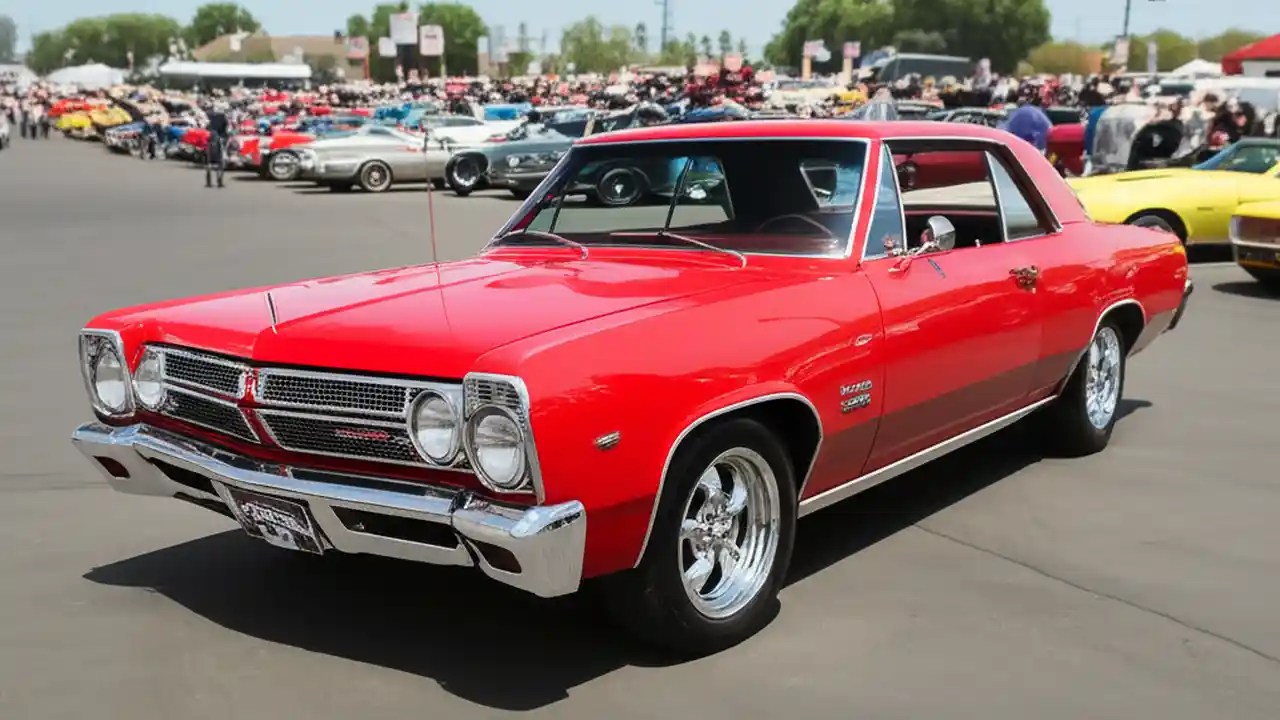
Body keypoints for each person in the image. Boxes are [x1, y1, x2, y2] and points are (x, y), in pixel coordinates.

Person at [205, 102, 231, 188]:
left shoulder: (211, 117)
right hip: (219, 140)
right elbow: (226, 131)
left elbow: (207, 127)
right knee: (220, 162)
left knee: (209, 161)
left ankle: (208, 182)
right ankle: (219, 181)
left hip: (210, 139)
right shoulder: (223, 118)